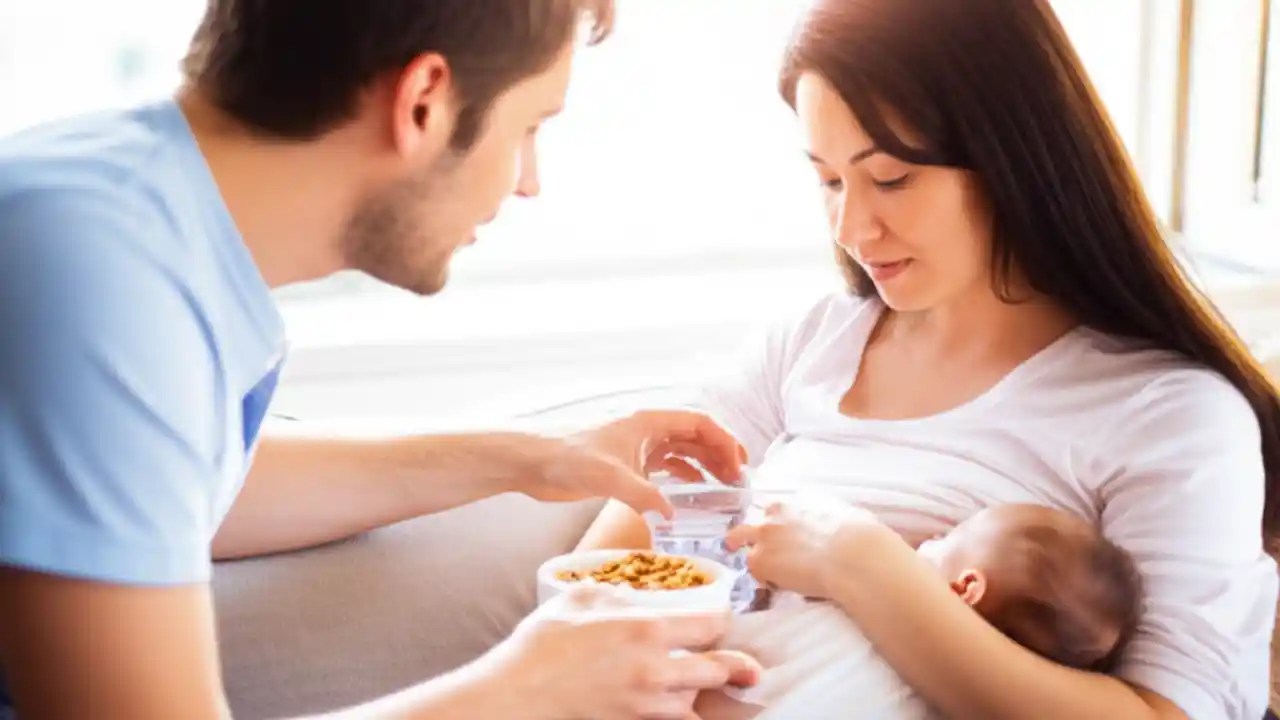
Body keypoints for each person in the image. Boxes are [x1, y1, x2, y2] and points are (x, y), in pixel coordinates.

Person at [0, 1, 762, 718]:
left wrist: (535, 457)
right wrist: (530, 687)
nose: (529, 182)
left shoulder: (117, 197)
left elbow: (183, 486)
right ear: (424, 100)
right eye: (529, 127)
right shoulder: (101, 285)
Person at [578, 0, 1280, 717]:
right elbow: (598, 584)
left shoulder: (1170, 414)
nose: (852, 227)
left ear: (1013, 157)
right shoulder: (809, 344)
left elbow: (1169, 711)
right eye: (828, 180)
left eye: (889, 178)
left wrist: (863, 566)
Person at [692, 503, 1143, 719]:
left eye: (948, 541)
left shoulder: (840, 616)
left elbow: (718, 653)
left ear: (966, 587)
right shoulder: (943, 703)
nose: (927, 541)